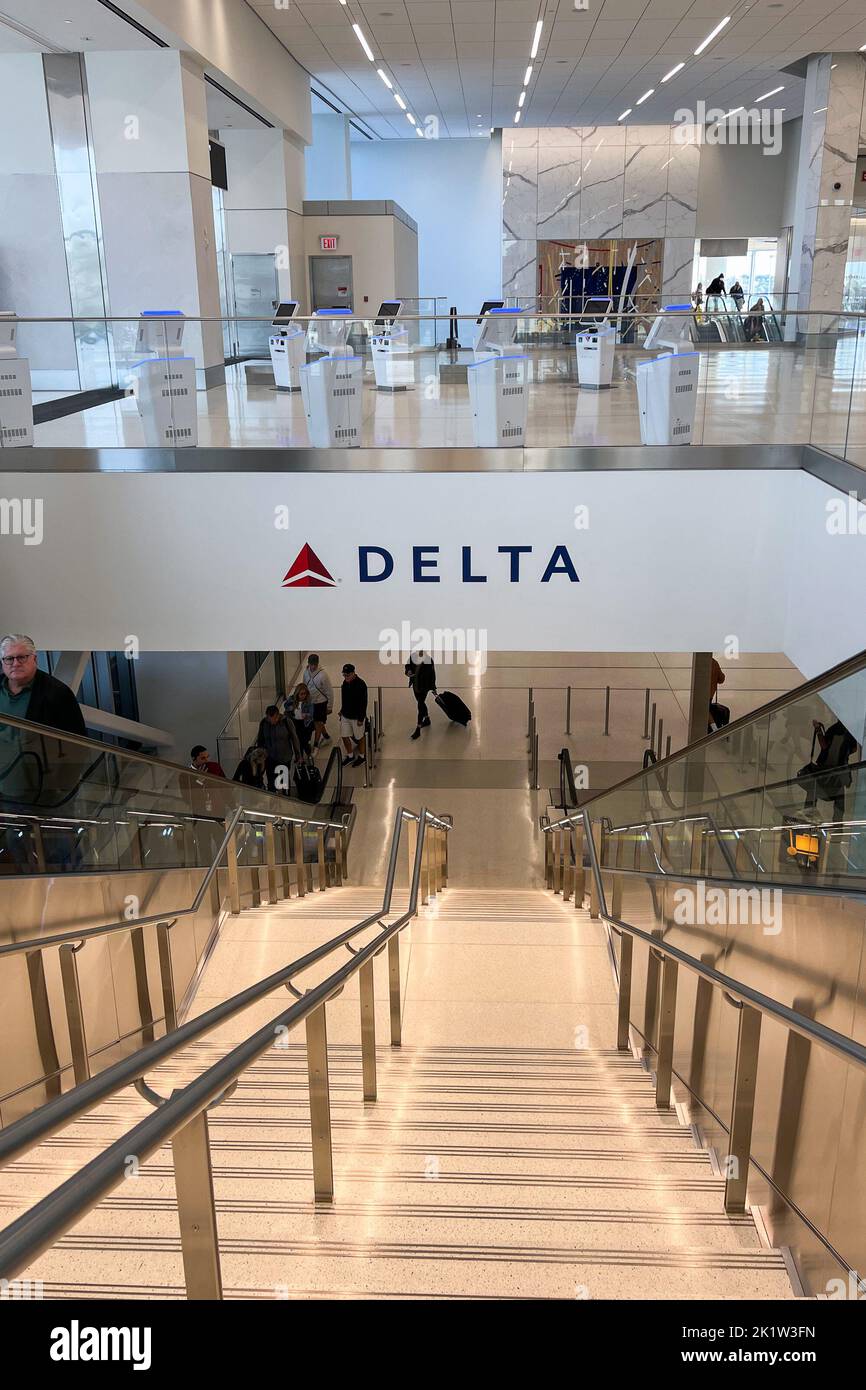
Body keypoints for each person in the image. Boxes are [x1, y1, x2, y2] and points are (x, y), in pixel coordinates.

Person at [0, 634, 86, 736]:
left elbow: (76, 741)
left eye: (21, 657)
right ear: (2, 662)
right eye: (9, 659)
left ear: (35, 659)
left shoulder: (59, 693)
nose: (15, 664)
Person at [799, 719, 859, 822]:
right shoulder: (850, 732)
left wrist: (818, 729)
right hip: (839, 771)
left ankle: (807, 819)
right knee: (839, 803)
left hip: (826, 769)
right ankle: (837, 827)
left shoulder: (834, 729)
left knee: (813, 792)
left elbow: (824, 745)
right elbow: (854, 749)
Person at [256, 703, 301, 793]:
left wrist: (298, 755)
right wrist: (260, 755)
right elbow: (260, 739)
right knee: (271, 782)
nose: (272, 722)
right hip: (270, 757)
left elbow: (294, 738)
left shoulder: (286, 722)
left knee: (283, 782)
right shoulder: (264, 723)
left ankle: (285, 798)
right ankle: (273, 801)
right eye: (269, 719)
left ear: (278, 715)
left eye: (274, 719)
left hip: (284, 757)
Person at [339, 663, 368, 768]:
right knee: (344, 735)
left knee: (360, 737)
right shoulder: (345, 684)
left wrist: (361, 718)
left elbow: (363, 702)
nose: (346, 677)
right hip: (346, 715)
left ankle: (362, 756)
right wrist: (342, 710)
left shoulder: (361, 684)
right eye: (344, 675)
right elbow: (344, 699)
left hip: (356, 717)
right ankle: (350, 755)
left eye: (348, 675)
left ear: (353, 673)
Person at [302, 655, 333, 750]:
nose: (313, 667)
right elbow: (304, 686)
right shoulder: (306, 673)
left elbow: (329, 691)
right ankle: (327, 737)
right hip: (310, 702)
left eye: (314, 664)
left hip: (321, 702)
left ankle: (315, 744)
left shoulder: (323, 675)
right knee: (317, 722)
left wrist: (329, 706)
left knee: (318, 722)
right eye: (311, 664)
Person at [405, 651, 436, 741]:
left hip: (424, 687)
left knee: (420, 704)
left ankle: (418, 728)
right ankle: (427, 719)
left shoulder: (429, 660)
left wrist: (433, 687)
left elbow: (432, 675)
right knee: (420, 703)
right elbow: (407, 666)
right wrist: (408, 671)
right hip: (415, 685)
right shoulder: (413, 657)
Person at [285, 683, 314, 754]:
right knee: (297, 740)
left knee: (305, 741)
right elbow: (286, 706)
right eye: (301, 694)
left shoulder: (309, 701)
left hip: (305, 723)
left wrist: (306, 715)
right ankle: (300, 757)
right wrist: (293, 708)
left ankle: (308, 754)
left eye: (305, 694)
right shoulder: (292, 699)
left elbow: (312, 713)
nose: (303, 696)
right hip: (295, 722)